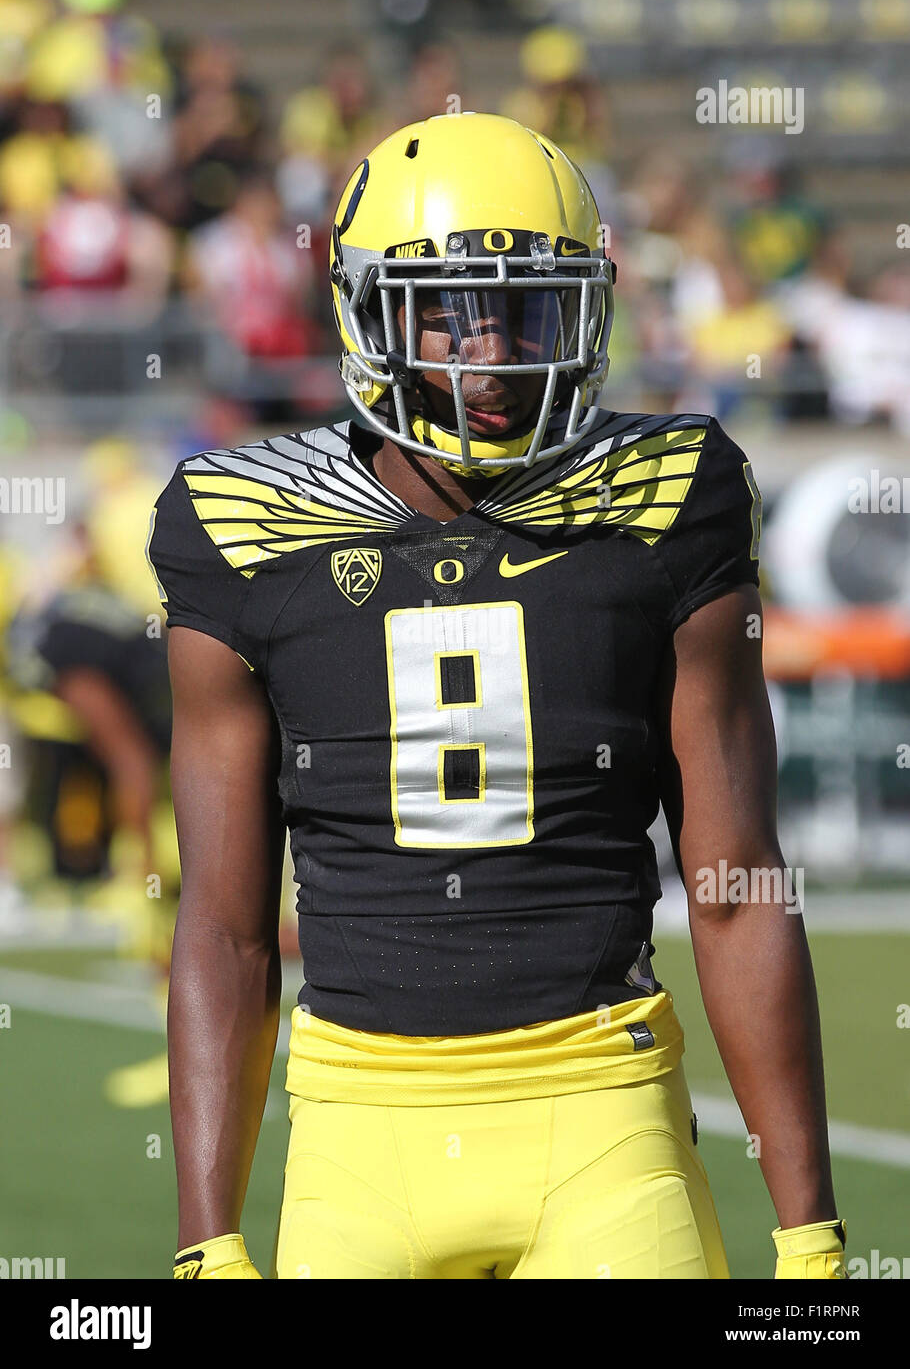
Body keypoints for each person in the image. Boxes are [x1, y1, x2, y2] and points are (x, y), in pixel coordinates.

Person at [150, 112, 846, 1280]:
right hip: (357, 1134)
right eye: (446, 306)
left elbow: (734, 887)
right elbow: (224, 926)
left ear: (587, 308)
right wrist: (206, 1241)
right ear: (367, 313)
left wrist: (813, 1237)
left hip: (602, 1114)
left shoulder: (666, 498)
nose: (487, 349)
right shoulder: (243, 526)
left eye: (524, 306)